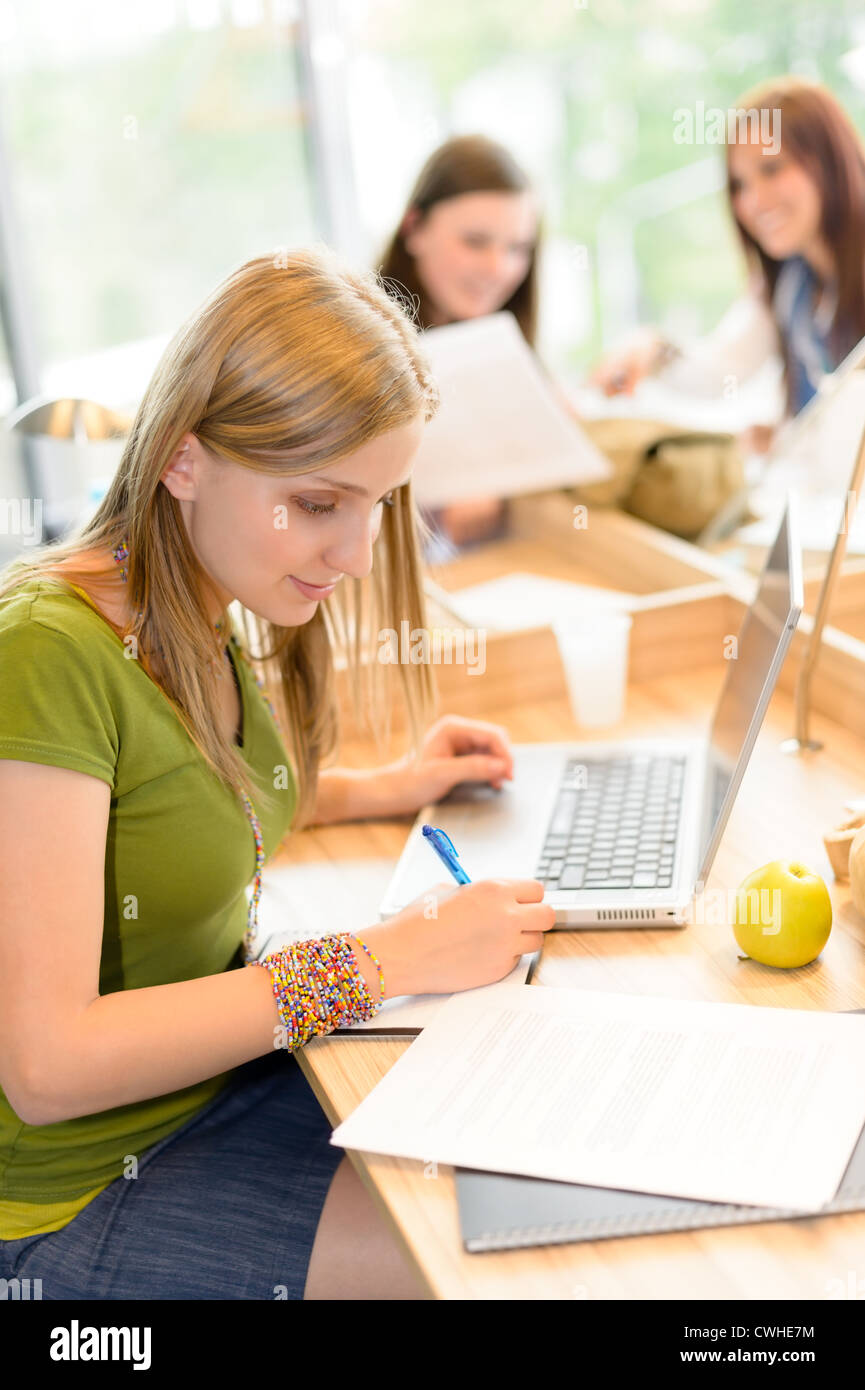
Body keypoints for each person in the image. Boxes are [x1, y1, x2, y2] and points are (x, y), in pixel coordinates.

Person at [0, 249, 555, 1300]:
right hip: (75, 1199)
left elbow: (174, 805)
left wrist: (378, 785)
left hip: (210, 1096)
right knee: (483, 1261)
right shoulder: (45, 650)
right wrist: (377, 961)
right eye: (316, 504)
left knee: (535, 1165)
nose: (352, 552)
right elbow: (47, 1064)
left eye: (379, 503)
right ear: (183, 459)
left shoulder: (193, 605)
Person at [590, 76, 865, 446]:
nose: (754, 201)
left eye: (772, 168)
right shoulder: (789, 286)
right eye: (740, 185)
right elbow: (722, 368)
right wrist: (655, 350)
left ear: (830, 160)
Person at [379, 133, 541, 545]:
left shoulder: (506, 345)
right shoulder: (360, 351)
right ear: (414, 228)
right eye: (475, 242)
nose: (498, 268)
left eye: (518, 248)